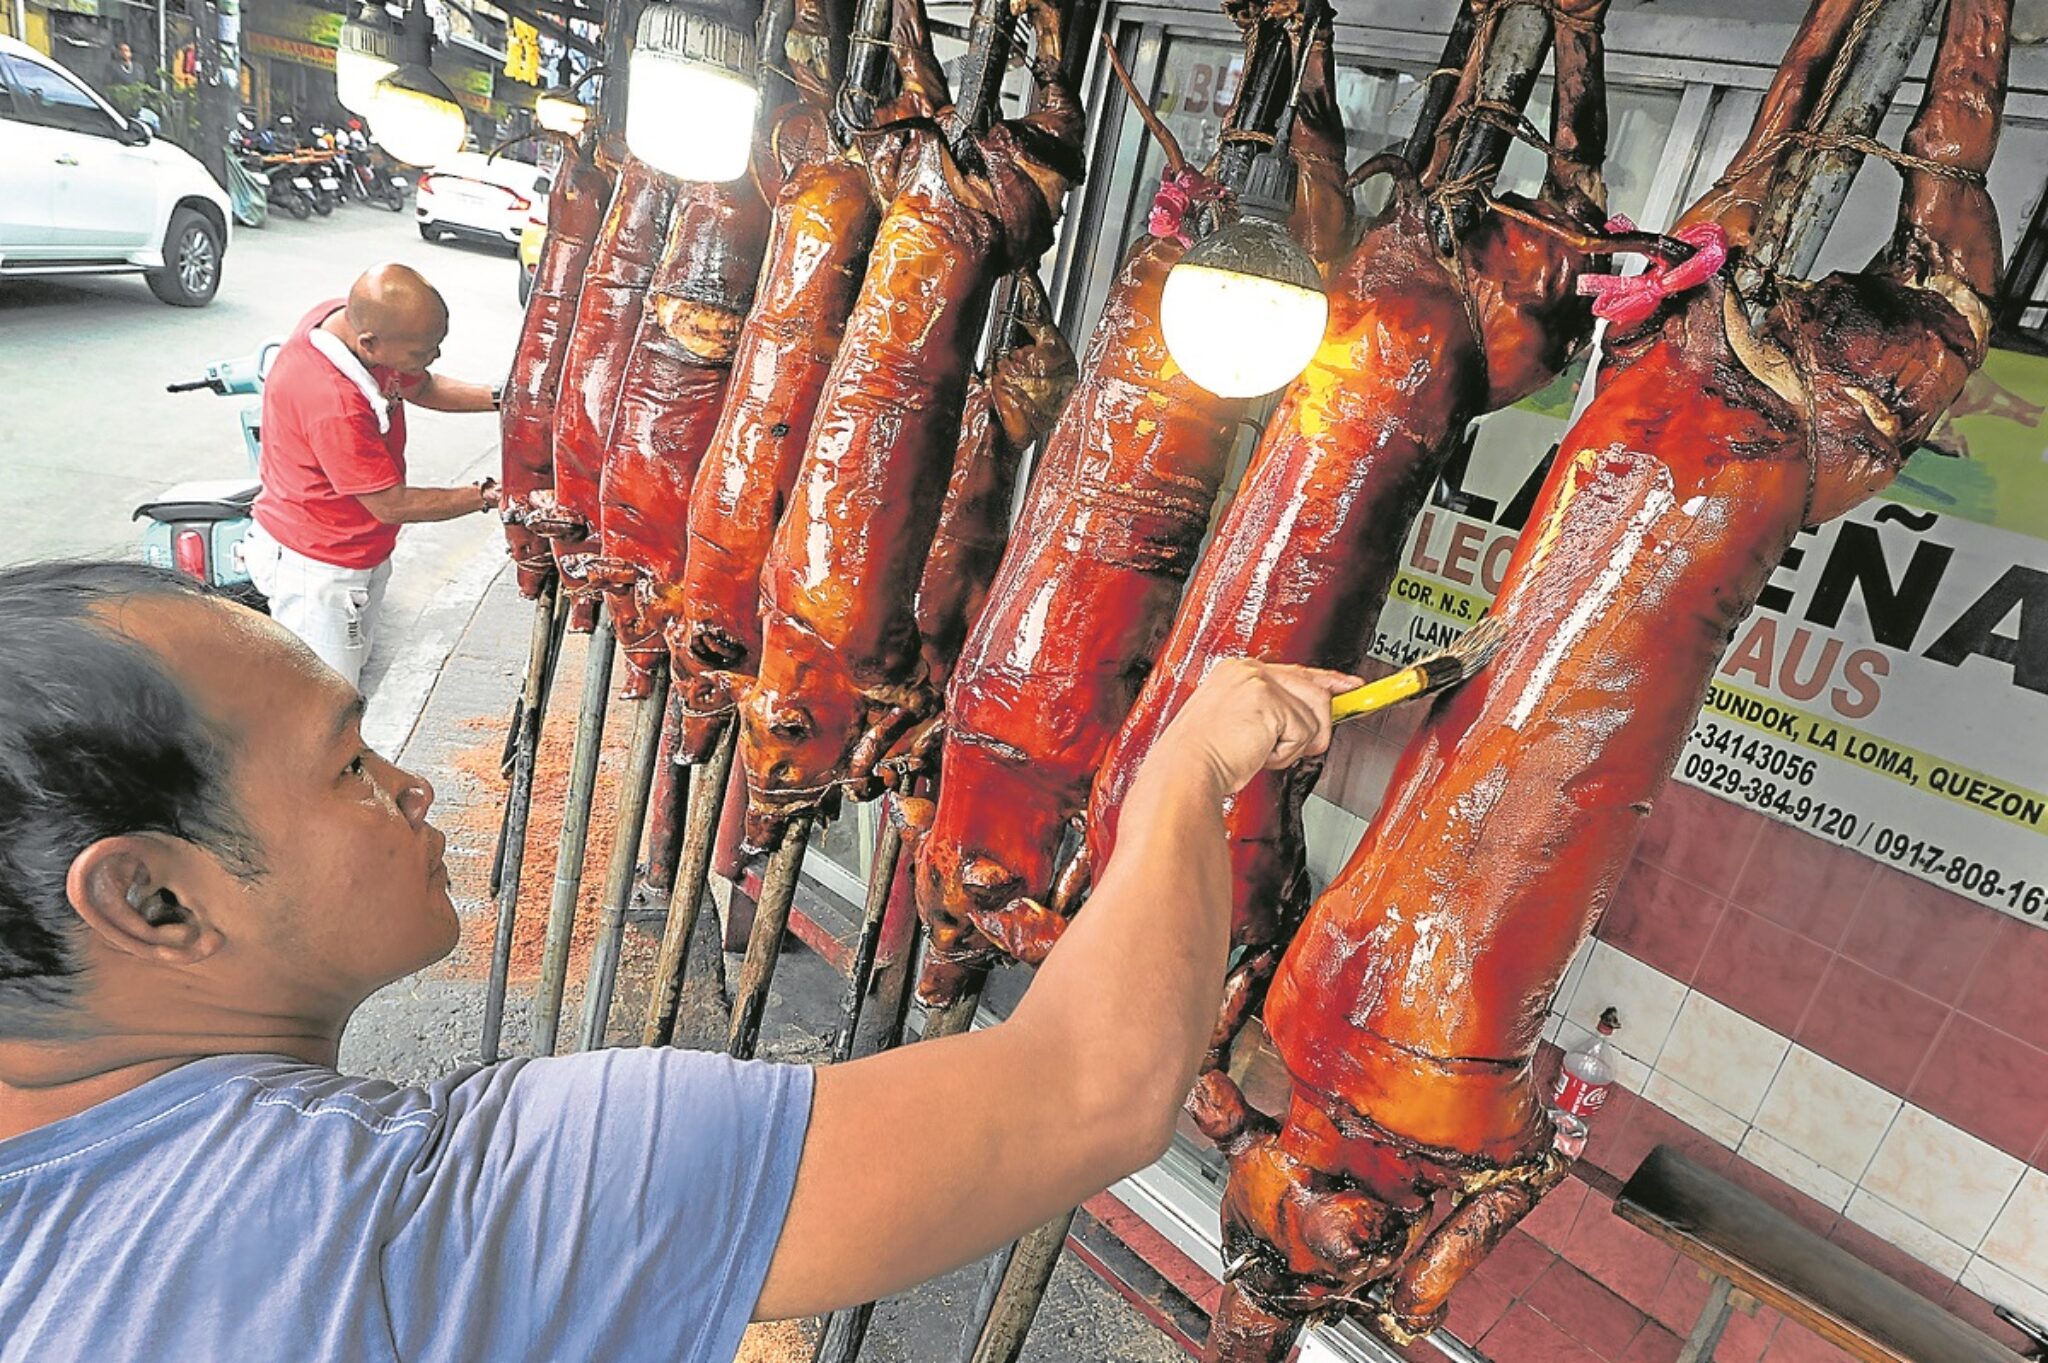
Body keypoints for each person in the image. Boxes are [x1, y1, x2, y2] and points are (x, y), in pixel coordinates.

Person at [0, 560, 1360, 1363]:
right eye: (350, 764)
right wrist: (1195, 767)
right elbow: (1091, 1087)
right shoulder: (431, 1217)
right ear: (154, 900)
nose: (413, 786)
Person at [246, 263, 501, 689]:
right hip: (319, 568)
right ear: (369, 343)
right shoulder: (336, 403)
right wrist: (489, 494)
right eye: (421, 352)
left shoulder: (343, 322)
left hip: (358, 552)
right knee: (328, 701)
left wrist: (505, 399)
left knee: (350, 675)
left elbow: (420, 386)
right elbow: (391, 504)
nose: (432, 358)